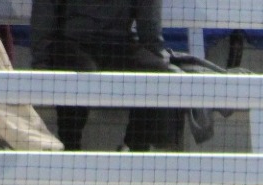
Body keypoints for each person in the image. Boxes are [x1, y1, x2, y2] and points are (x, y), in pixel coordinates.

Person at [30, 0, 181, 151]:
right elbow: (43, 16)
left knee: (156, 72)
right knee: (82, 74)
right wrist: (40, 63)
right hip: (71, 43)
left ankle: (133, 148)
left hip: (119, 44)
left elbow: (150, 27)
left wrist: (158, 58)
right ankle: (70, 148)